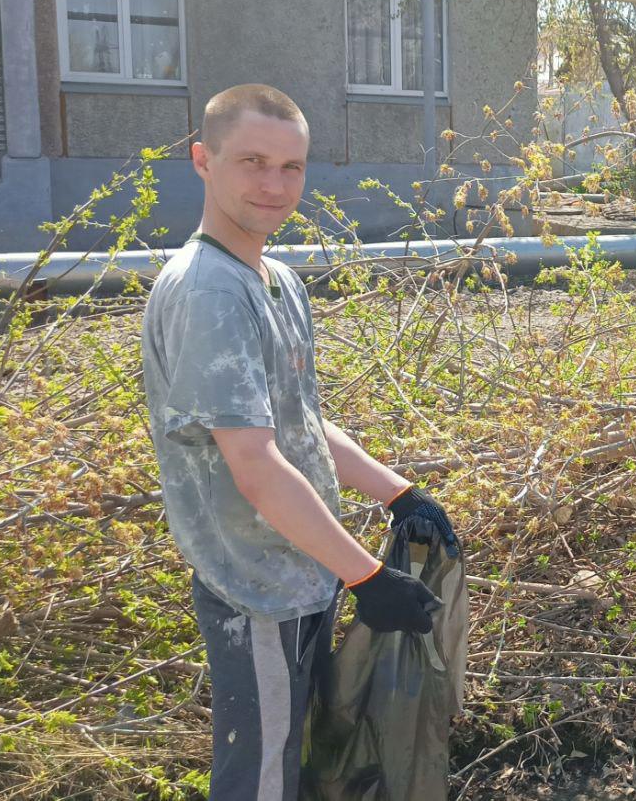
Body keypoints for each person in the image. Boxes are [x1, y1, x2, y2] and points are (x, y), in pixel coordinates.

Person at [141, 84, 458, 800]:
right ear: (202, 160)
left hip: (304, 572)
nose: (273, 184)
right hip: (255, 588)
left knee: (294, 765)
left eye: (291, 166)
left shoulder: (275, 279)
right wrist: (366, 576)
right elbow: (253, 465)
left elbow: (301, 424)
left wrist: (399, 491)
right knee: (260, 778)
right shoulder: (208, 291)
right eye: (252, 161)